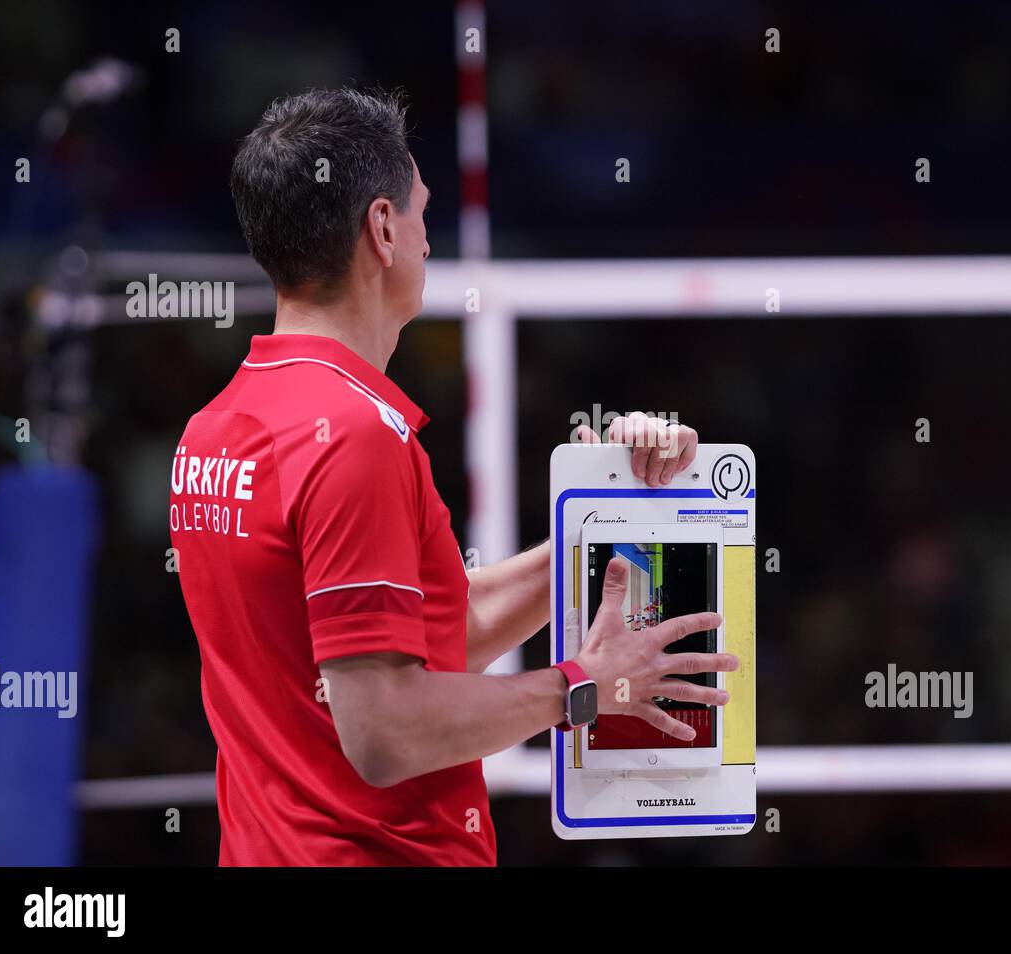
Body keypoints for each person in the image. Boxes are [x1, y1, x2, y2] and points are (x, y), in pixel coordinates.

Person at [169, 88, 738, 865]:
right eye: (422, 214)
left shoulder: (214, 431)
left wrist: (620, 508)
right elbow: (384, 730)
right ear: (381, 229)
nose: (429, 243)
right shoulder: (354, 436)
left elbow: (426, 640)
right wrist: (583, 686)